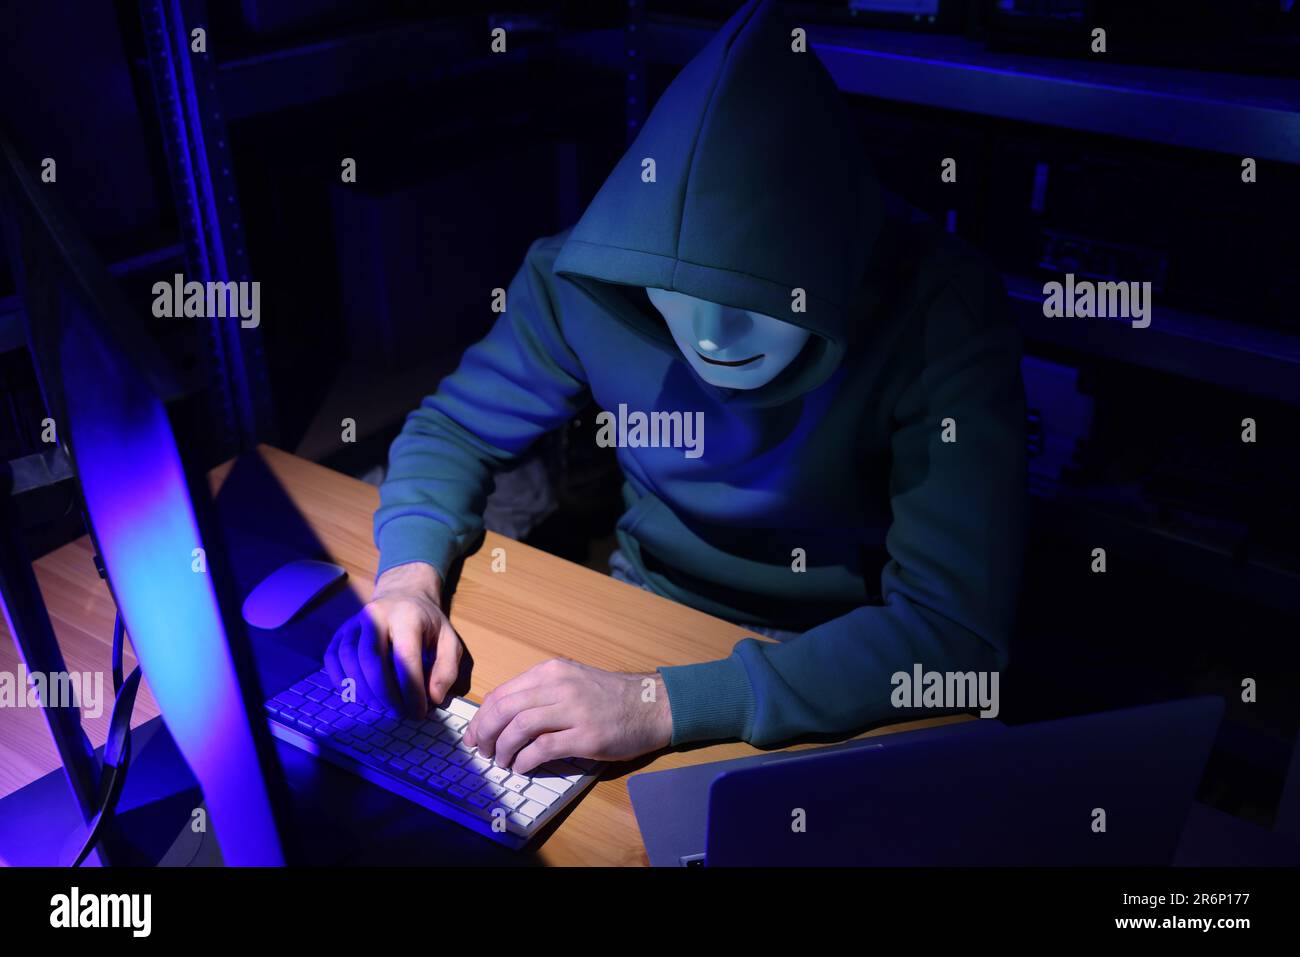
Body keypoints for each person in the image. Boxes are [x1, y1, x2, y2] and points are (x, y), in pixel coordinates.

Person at [324, 0, 1027, 775]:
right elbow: (454, 430)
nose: (711, 339)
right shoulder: (581, 277)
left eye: (754, 300)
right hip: (641, 607)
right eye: (674, 294)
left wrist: (660, 704)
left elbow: (953, 630)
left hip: (835, 658)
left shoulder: (943, 307)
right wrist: (409, 581)